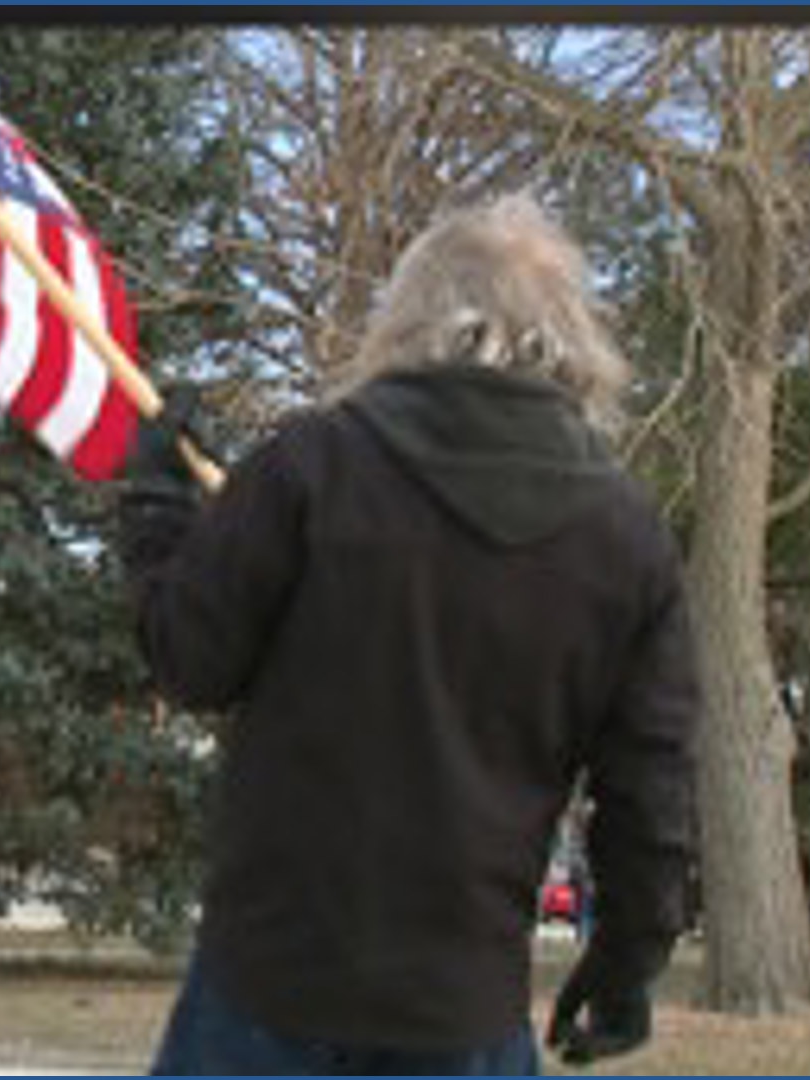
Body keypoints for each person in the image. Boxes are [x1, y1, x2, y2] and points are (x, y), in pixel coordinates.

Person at [119, 194, 700, 1075]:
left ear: (411, 317)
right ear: (573, 335)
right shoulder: (626, 540)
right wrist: (629, 961)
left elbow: (191, 658)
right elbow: (650, 791)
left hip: (264, 999)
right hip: (460, 1017)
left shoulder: (312, 468)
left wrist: (157, 510)